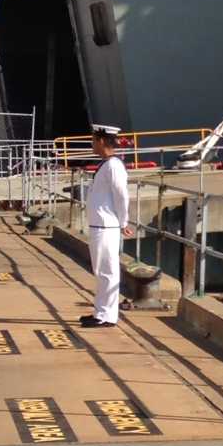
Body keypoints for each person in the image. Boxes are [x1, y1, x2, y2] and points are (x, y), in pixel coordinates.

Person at [80, 126, 129, 328]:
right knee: (101, 271)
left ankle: (107, 315)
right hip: (99, 225)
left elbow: (121, 195)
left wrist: (124, 222)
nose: (92, 144)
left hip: (106, 226)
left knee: (108, 272)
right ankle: (100, 312)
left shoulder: (114, 166)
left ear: (101, 141)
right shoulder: (106, 164)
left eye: (93, 140)